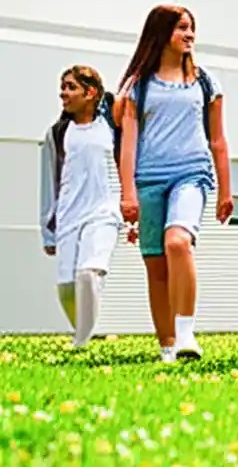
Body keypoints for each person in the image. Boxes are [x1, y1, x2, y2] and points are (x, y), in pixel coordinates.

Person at [118, 6, 233, 362]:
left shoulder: (205, 81)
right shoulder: (138, 85)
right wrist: (128, 193)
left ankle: (186, 335)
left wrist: (226, 191)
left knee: (178, 242)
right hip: (149, 179)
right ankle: (167, 347)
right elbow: (128, 142)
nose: (189, 34)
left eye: (192, 28)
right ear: (162, 31)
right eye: (182, 28)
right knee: (157, 268)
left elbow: (218, 140)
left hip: (192, 174)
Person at [38, 66, 126, 349]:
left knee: (88, 273)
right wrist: (47, 230)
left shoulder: (111, 125)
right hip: (68, 218)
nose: (63, 93)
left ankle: (81, 341)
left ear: (90, 93)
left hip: (104, 214)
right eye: (62, 86)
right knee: (66, 288)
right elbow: (48, 183)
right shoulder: (57, 133)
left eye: (70, 87)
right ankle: (87, 330)